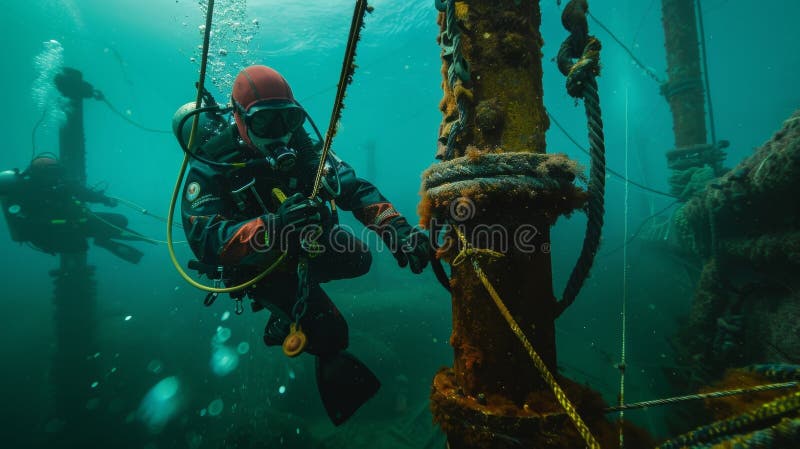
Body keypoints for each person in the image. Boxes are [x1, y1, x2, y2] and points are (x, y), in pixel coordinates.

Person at [177, 65, 431, 425]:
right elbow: (205, 241)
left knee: (359, 259)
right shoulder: (213, 165)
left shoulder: (304, 148)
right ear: (239, 119)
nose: (281, 135)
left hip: (304, 243)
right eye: (267, 123)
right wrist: (272, 227)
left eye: (289, 120)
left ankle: (293, 301)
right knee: (333, 335)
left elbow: (354, 189)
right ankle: (283, 309)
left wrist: (396, 229)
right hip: (258, 264)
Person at [0, 154, 148, 263]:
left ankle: (102, 239)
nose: (54, 177)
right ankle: (103, 240)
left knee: (120, 220)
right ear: (36, 173)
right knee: (82, 244)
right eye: (49, 173)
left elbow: (83, 193)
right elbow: (25, 221)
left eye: (57, 172)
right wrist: (62, 221)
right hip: (48, 234)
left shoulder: (60, 184)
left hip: (72, 222)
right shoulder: (24, 191)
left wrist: (105, 200)